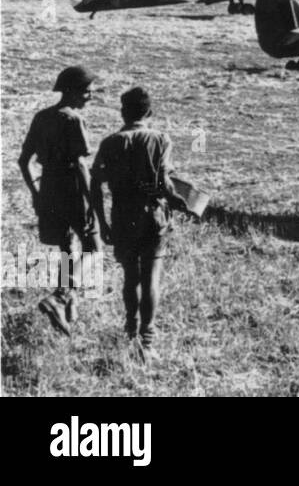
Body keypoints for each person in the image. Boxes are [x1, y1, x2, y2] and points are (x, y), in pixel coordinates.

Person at [90, 87, 184, 356]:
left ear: (123, 112)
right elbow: (165, 182)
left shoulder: (110, 142)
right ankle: (148, 341)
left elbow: (95, 184)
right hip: (154, 217)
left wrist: (103, 223)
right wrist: (177, 201)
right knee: (151, 276)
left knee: (130, 277)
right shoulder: (161, 139)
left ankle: (130, 331)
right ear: (150, 112)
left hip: (121, 216)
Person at [18, 65, 102, 335]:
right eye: (87, 92)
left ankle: (68, 310)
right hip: (73, 189)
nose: (90, 97)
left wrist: (36, 193)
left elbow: (24, 161)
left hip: (49, 188)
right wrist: (94, 202)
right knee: (94, 248)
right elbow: (80, 165)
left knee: (67, 247)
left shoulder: (41, 117)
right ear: (72, 92)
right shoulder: (73, 120)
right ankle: (61, 296)